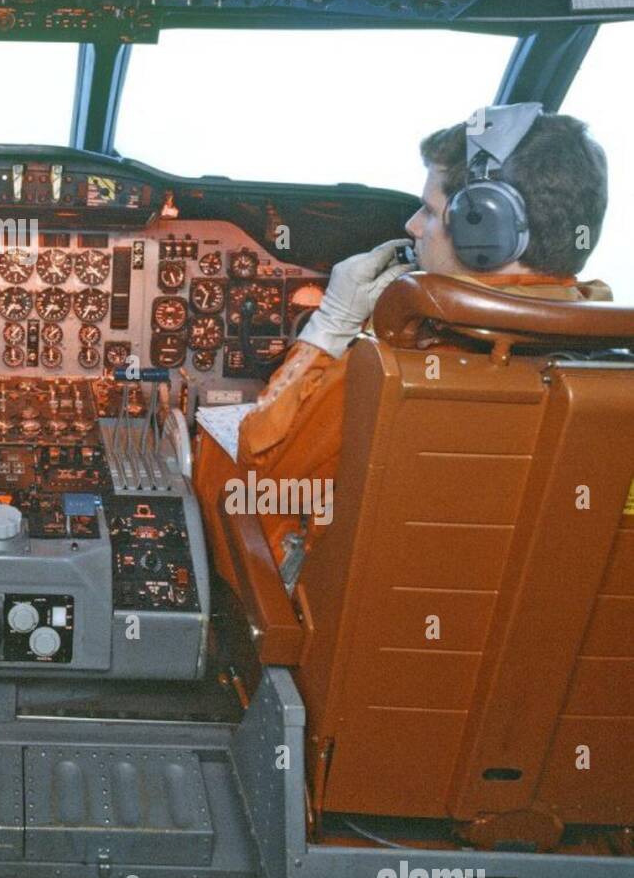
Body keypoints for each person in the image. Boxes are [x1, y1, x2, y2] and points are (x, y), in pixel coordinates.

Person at [194, 106, 611, 583]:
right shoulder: (610, 365)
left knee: (220, 457)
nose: (413, 225)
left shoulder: (392, 371)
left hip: (342, 612)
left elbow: (262, 461)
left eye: (430, 211)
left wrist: (333, 325)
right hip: (505, 612)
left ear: (487, 231)